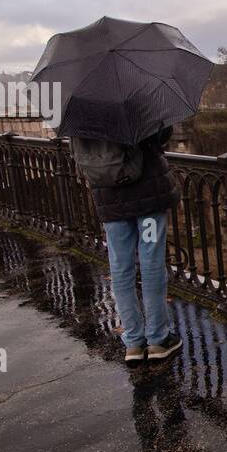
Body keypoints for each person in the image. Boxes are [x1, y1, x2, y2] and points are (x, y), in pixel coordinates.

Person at [77, 126, 182, 367]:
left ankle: (134, 342)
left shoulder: (80, 108)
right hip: (146, 195)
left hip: (110, 199)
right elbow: (160, 135)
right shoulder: (135, 99)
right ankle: (158, 338)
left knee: (120, 267)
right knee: (151, 262)